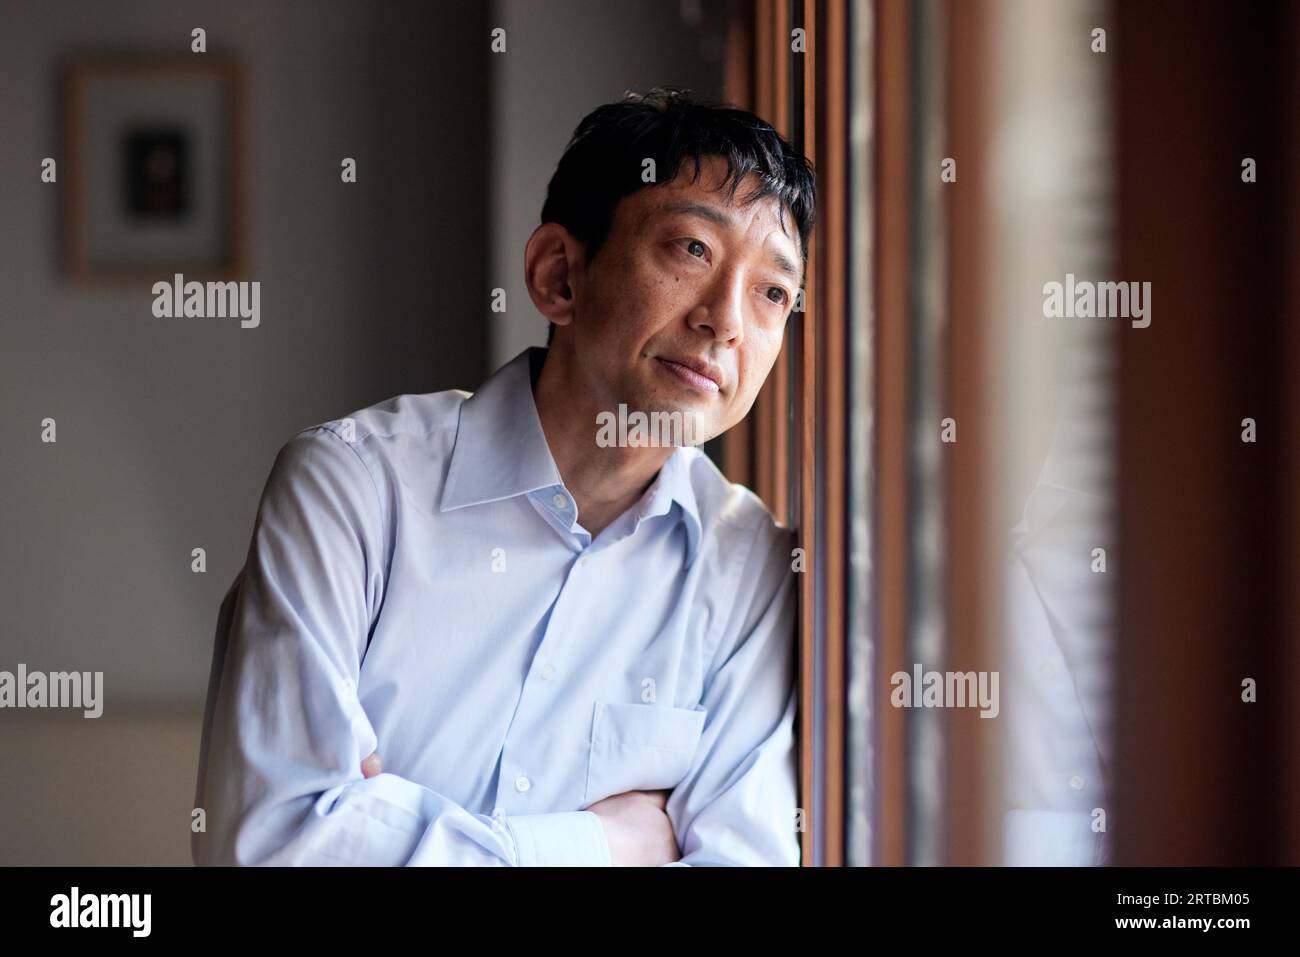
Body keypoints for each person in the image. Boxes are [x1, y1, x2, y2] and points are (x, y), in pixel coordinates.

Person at [192, 88, 816, 866]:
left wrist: (384, 824)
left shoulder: (753, 565)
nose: (726, 319)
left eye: (772, 293)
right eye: (692, 249)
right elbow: (273, 844)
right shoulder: (350, 486)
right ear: (559, 274)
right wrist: (610, 843)